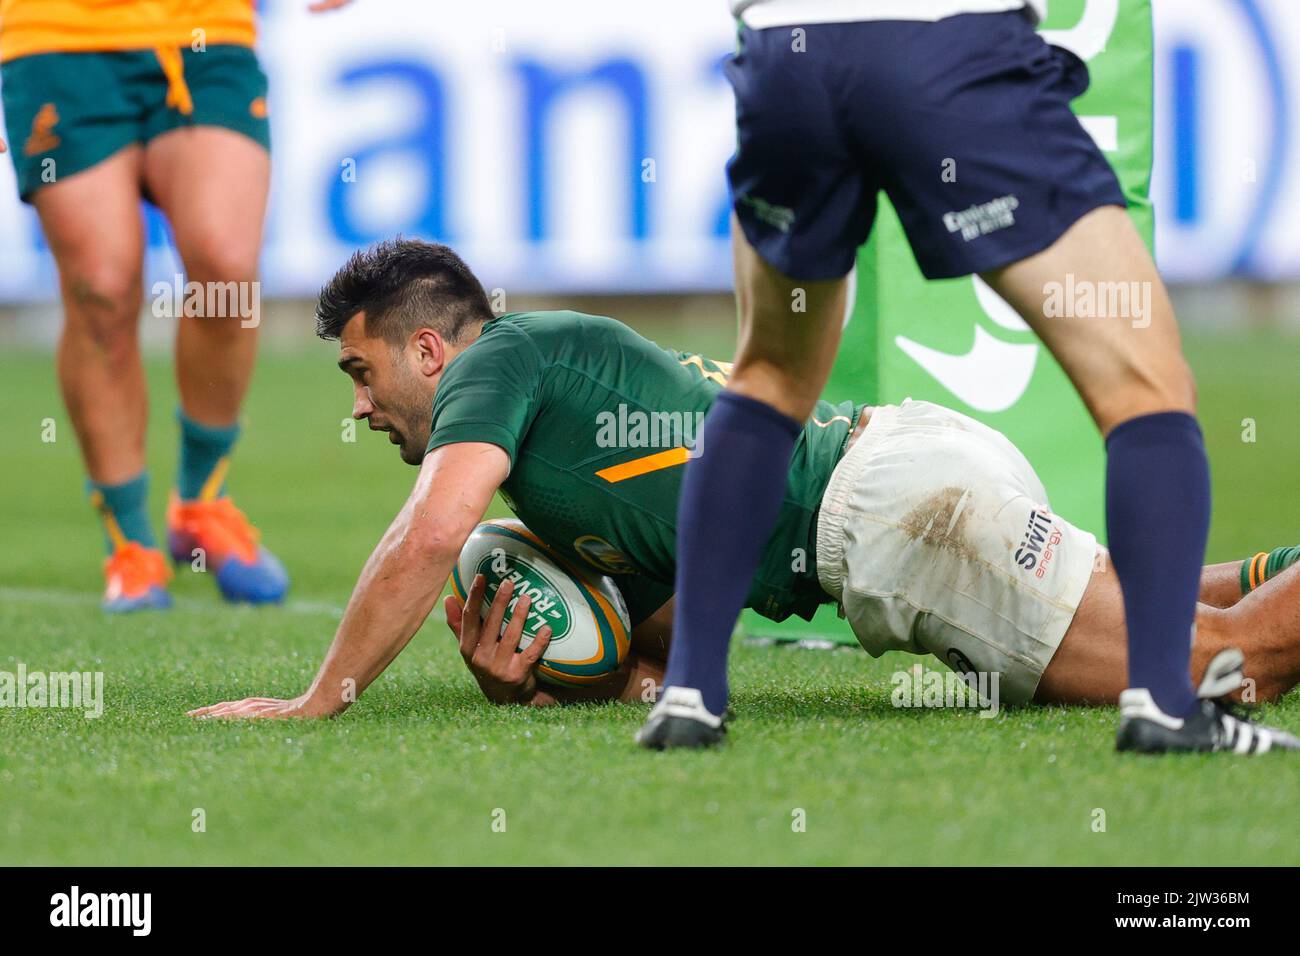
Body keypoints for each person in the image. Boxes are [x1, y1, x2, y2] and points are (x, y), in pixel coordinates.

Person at [186, 240, 1300, 756]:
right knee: (1189, 601)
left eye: (361, 371)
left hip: (893, 520)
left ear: (429, 348)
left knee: (1219, 663)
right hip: (902, 473)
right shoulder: (564, 435)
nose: (358, 404)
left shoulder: (497, 366)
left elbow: (431, 532)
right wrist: (599, 671)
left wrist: (318, 698)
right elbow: (664, 621)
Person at [647, 0, 1222, 752]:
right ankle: (1164, 706)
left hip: (787, 58)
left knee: (768, 379)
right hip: (951, 44)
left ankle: (688, 696)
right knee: (1145, 389)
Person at [0, 0, 346, 609]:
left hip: (204, 33)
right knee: (100, 291)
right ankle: (130, 545)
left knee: (226, 266)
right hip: (52, 37)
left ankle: (200, 501)